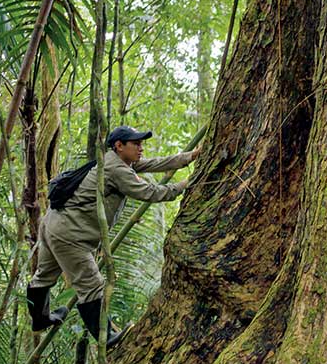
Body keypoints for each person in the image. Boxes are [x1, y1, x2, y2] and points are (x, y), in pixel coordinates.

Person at [26, 126, 199, 349]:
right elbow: (151, 192)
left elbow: (155, 163)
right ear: (119, 145)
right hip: (70, 234)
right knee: (91, 285)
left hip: (52, 223)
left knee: (44, 275)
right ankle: (105, 338)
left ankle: (40, 320)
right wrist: (184, 185)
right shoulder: (116, 170)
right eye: (136, 143)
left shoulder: (113, 161)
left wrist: (190, 157)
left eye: (141, 143)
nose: (141, 148)